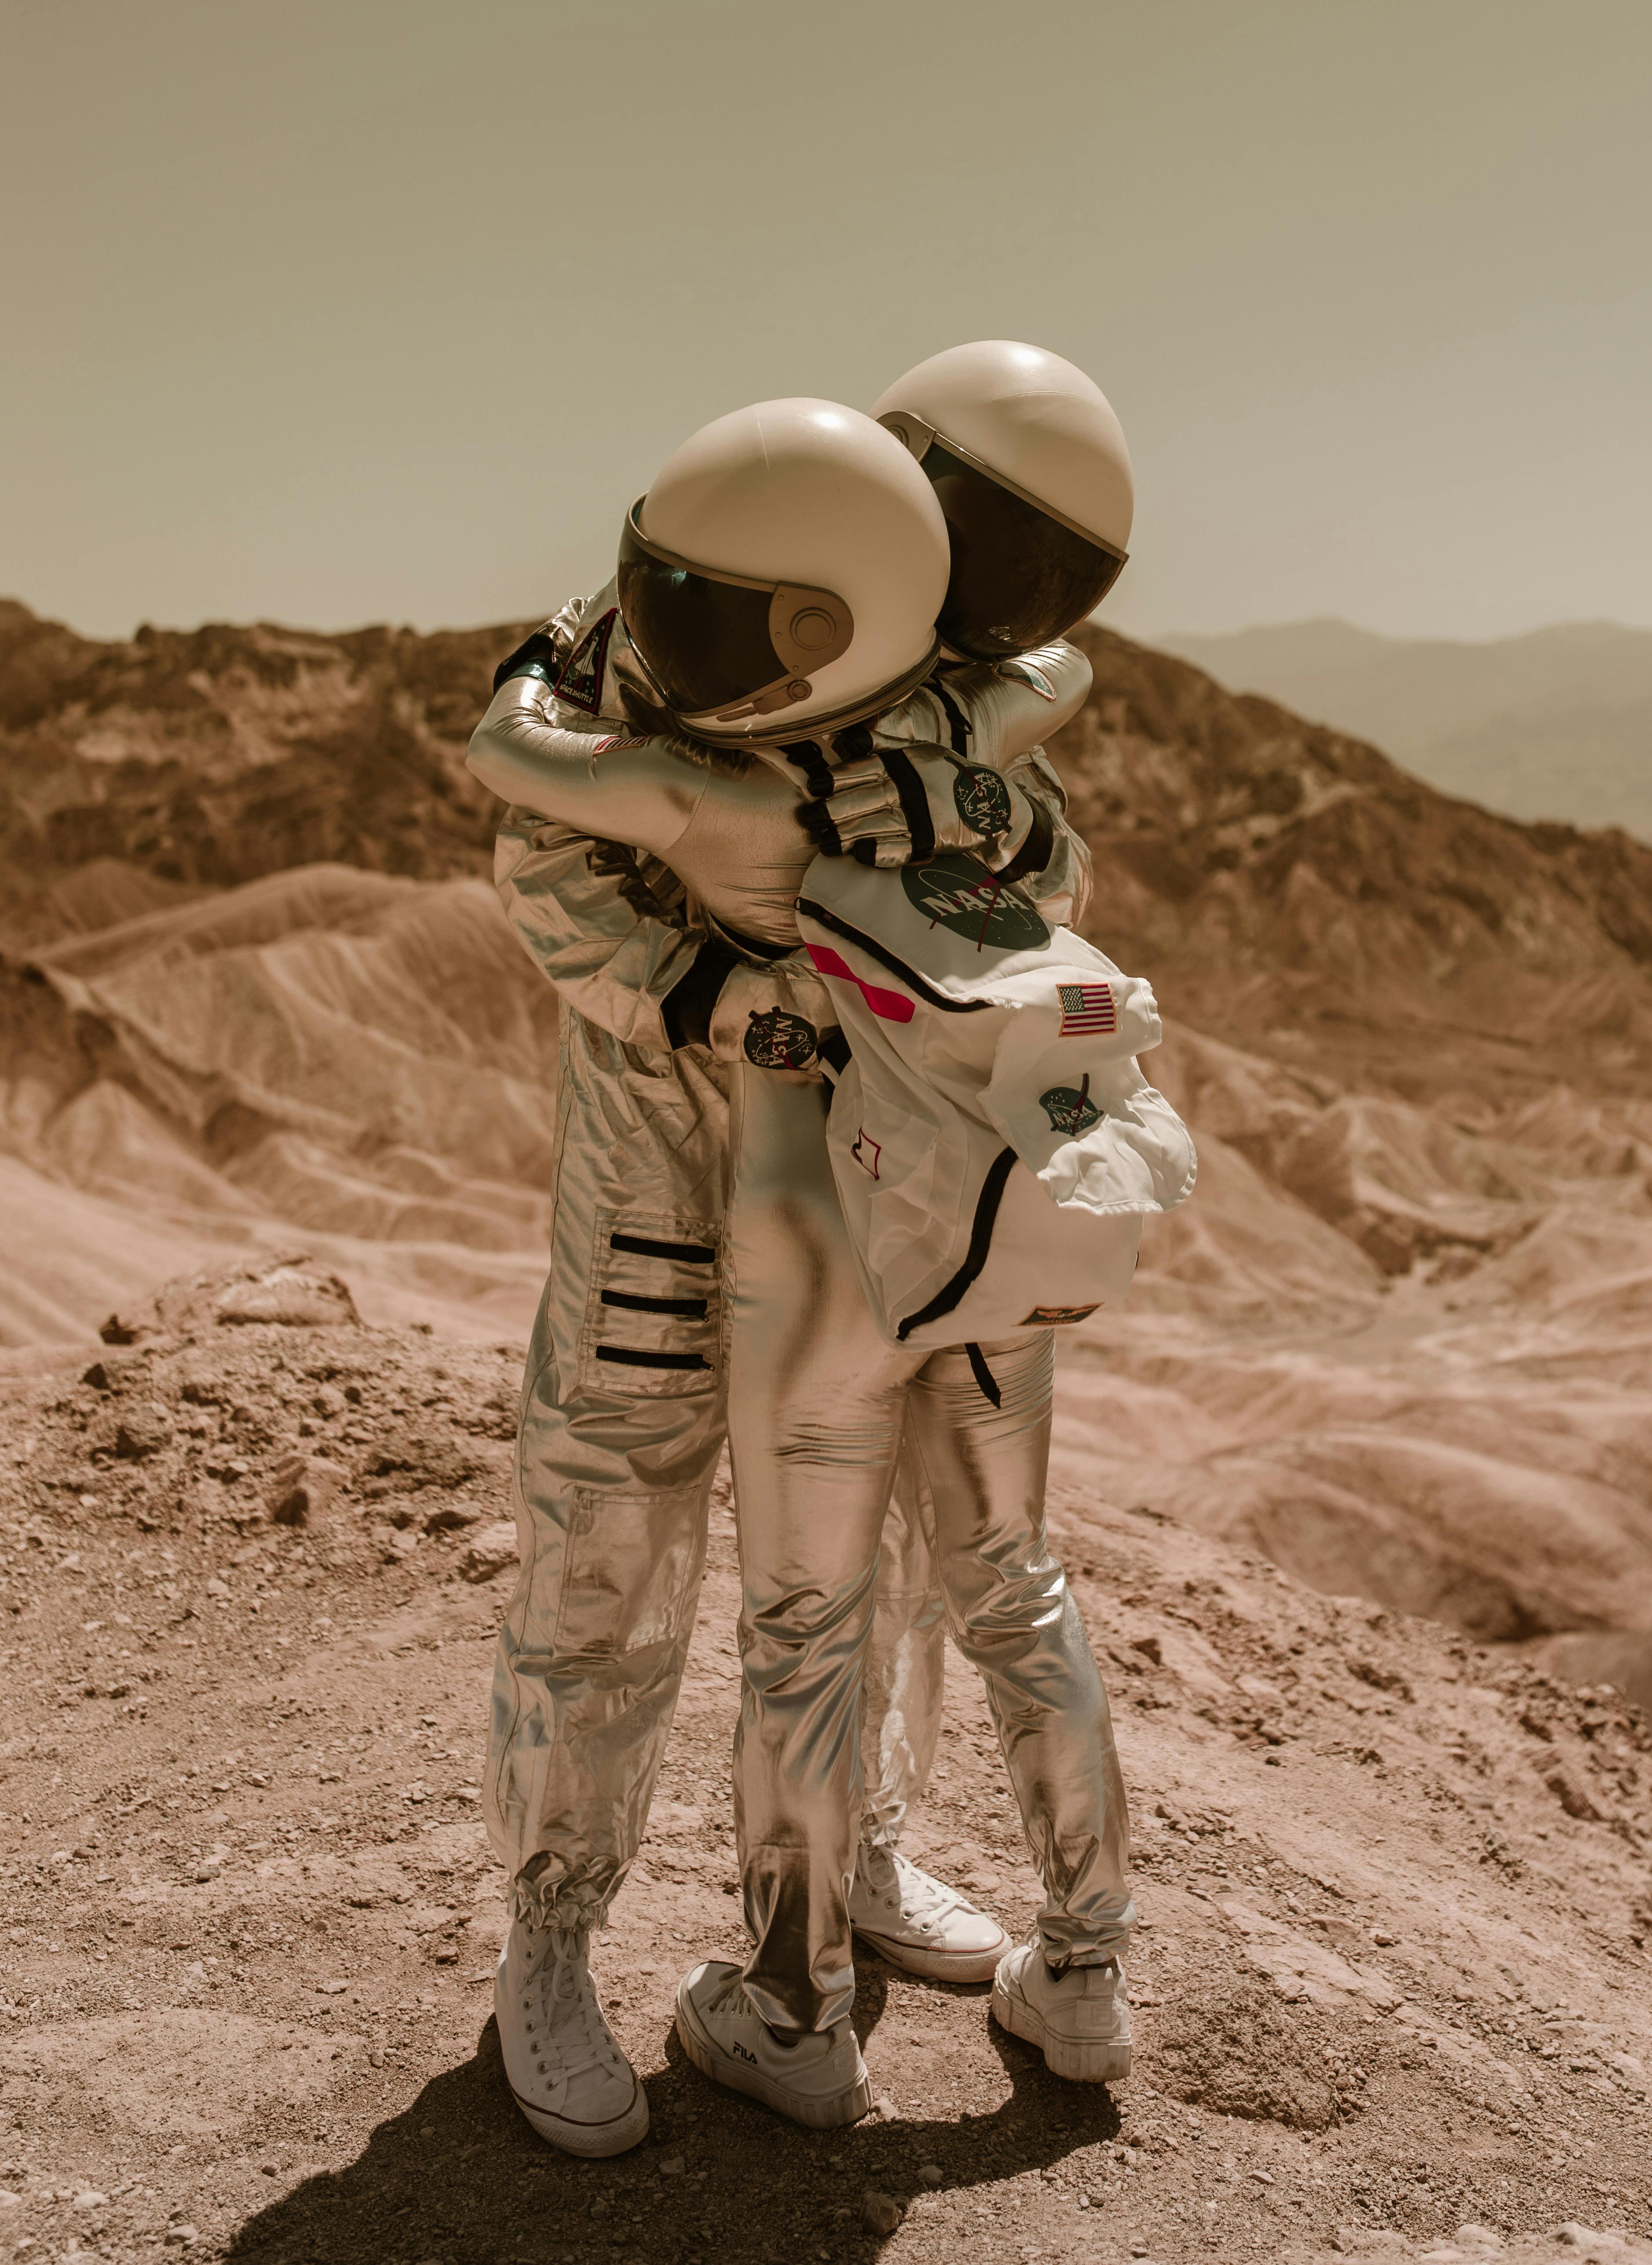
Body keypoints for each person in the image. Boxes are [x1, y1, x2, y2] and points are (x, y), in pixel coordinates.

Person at [470, 364, 1155, 2128]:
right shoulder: (676, 625)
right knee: (608, 1550)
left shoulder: (931, 685)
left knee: (868, 1572)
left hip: (846, 1175)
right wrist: (702, 986)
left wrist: (948, 861)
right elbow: (540, 829)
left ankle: (849, 1884)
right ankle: (551, 1943)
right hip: (660, 1160)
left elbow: (1043, 865)